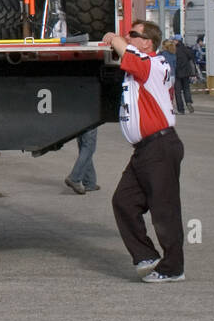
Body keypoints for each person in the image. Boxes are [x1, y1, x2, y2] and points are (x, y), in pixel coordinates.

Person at [102, 20, 185, 282]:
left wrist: (113, 36)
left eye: (133, 34)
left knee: (164, 208)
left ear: (147, 42)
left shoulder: (152, 63)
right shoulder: (139, 66)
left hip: (159, 145)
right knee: (124, 201)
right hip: (145, 149)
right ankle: (146, 256)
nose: (128, 37)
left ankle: (173, 268)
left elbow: (120, 47)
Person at [64, 126, 100, 194]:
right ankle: (74, 178)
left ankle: (89, 182)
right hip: (90, 117)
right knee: (88, 147)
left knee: (83, 146)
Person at [174, 35, 196, 114]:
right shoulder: (186, 49)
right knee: (186, 88)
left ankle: (181, 109)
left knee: (178, 91)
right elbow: (191, 57)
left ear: (176, 41)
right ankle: (188, 101)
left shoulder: (174, 50)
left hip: (177, 73)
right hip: (186, 72)